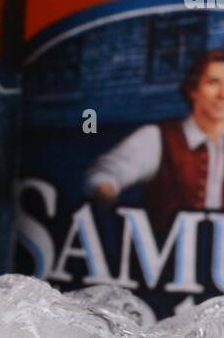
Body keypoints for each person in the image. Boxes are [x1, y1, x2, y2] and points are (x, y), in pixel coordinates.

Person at [87, 50, 224, 227]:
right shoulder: (158, 137)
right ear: (193, 90)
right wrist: (106, 193)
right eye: (213, 82)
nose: (222, 94)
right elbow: (105, 173)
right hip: (162, 252)